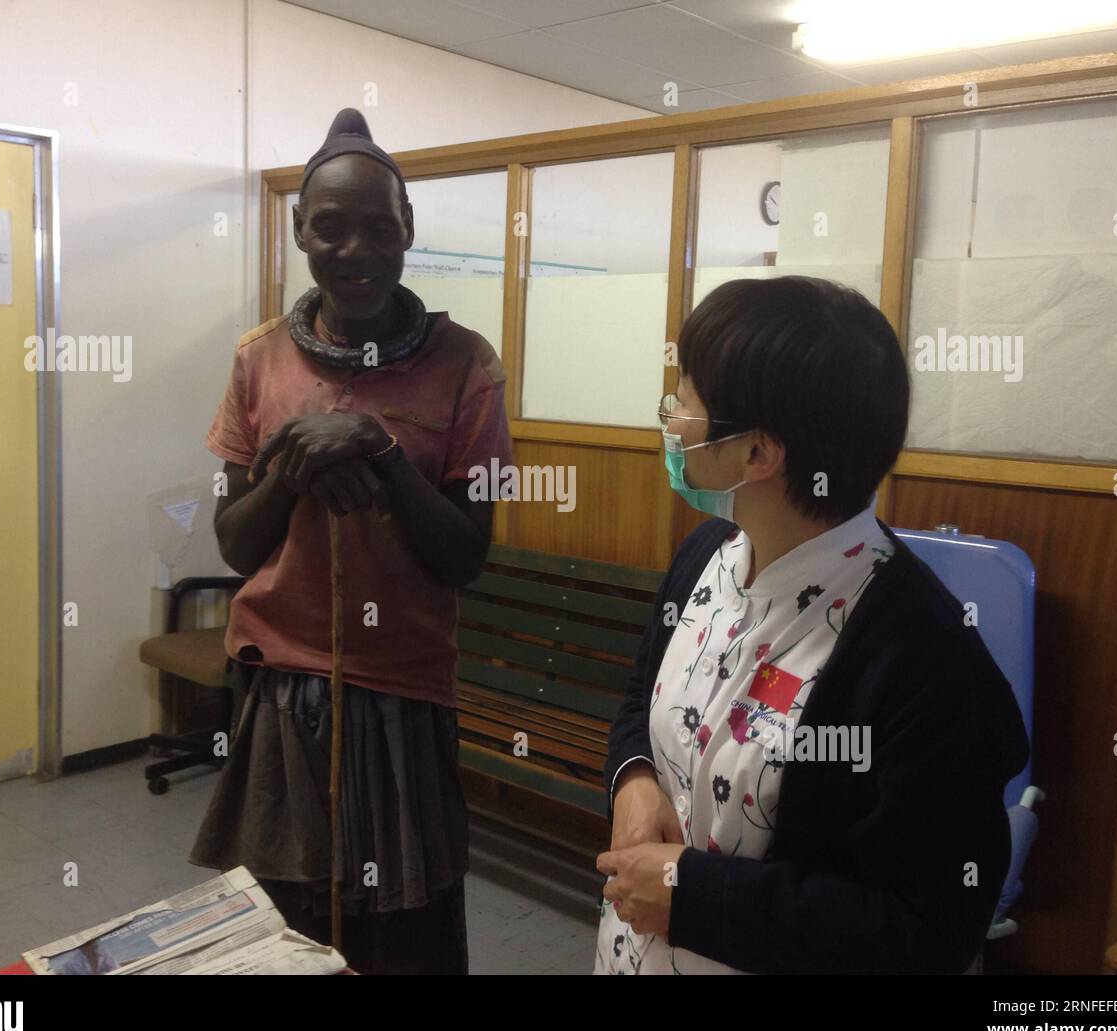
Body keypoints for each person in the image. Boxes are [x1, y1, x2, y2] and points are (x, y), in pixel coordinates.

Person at [594, 276, 1029, 974]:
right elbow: (638, 701)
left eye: (688, 398)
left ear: (757, 455)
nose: (670, 417)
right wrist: (635, 780)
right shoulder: (707, 555)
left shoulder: (925, 660)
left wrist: (695, 895)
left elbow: (927, 929)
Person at [189, 108, 512, 975]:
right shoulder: (258, 360)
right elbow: (233, 546)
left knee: (407, 931)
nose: (355, 249)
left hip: (404, 691)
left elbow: (466, 556)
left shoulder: (467, 365)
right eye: (329, 226)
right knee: (287, 927)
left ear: (409, 230)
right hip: (284, 686)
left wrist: (381, 454)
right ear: (299, 233)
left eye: (379, 225)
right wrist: (294, 463)